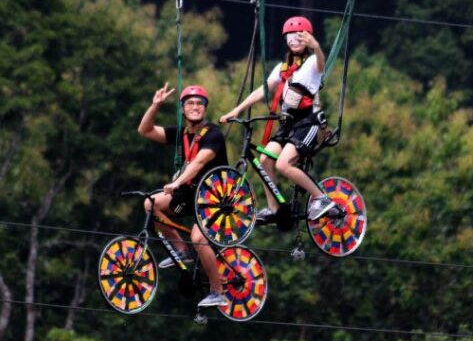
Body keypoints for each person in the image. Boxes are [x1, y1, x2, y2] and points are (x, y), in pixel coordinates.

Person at [220, 16, 336, 223]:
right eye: (291, 37)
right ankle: (274, 209)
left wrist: (316, 47)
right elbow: (262, 91)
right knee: (264, 160)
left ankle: (321, 198)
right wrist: (237, 110)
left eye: (301, 36)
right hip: (288, 125)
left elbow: (320, 62)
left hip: (308, 123)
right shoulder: (283, 68)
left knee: (283, 165)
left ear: (308, 38)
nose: (296, 40)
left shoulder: (311, 63)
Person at [138, 83, 230, 308]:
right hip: (191, 196)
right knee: (151, 204)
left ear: (205, 109)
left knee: (199, 238)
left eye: (200, 103)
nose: (195, 107)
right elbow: (145, 130)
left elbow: (199, 163)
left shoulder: (213, 134)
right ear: (182, 109)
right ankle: (181, 250)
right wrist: (155, 105)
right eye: (190, 103)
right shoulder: (181, 134)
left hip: (215, 200)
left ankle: (218, 291)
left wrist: (177, 182)